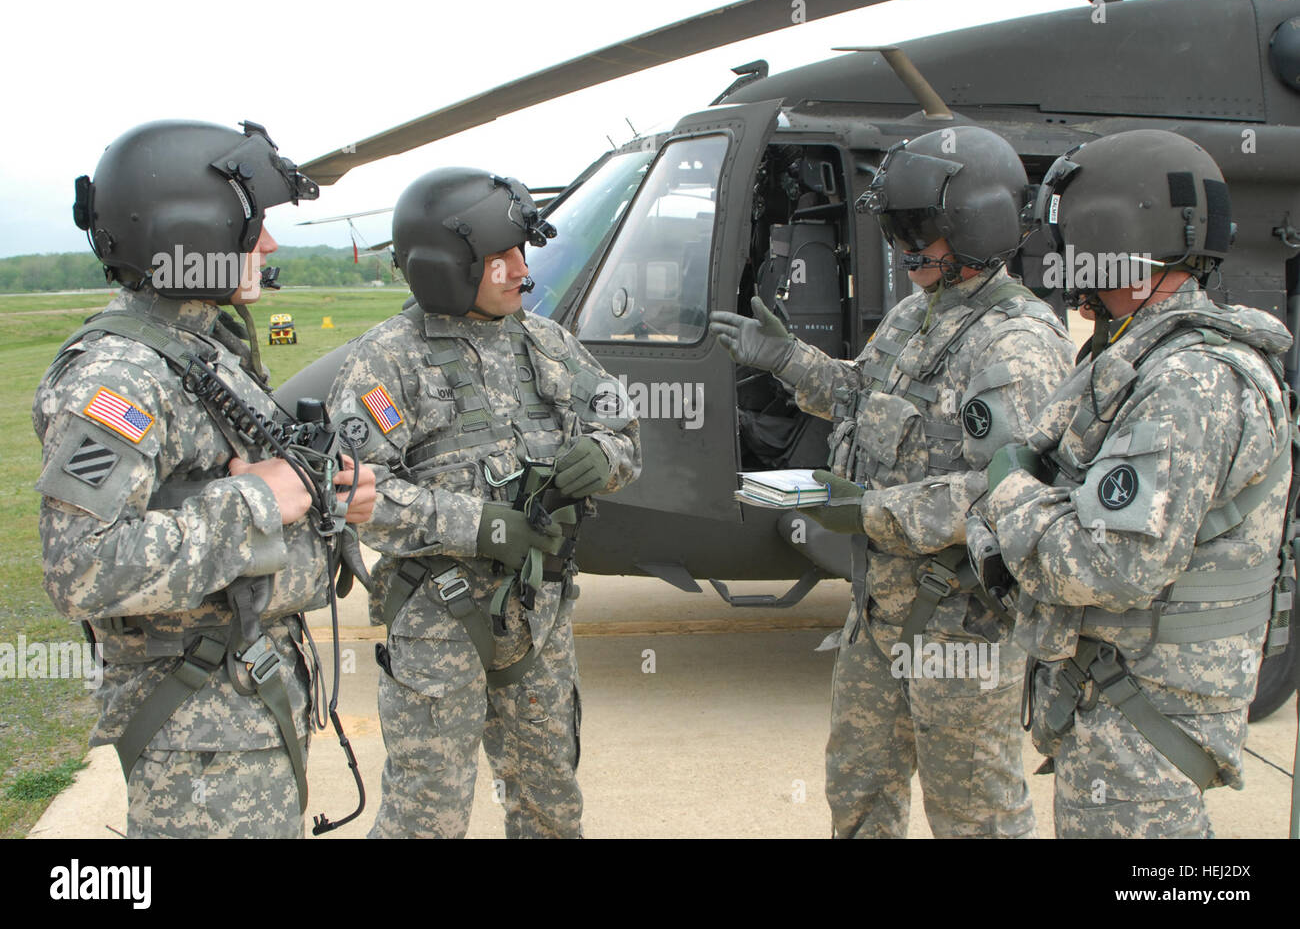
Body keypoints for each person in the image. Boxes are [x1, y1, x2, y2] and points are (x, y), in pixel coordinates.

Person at [710, 126, 1074, 838]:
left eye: (923, 232)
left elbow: (1004, 493)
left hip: (962, 633)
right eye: (899, 231)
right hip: (880, 619)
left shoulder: (1018, 343)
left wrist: (874, 512)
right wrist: (788, 361)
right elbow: (857, 397)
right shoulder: (915, 317)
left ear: (975, 228)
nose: (908, 251)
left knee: (976, 818)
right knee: (858, 793)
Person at [34, 119, 376, 838]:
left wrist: (327, 502)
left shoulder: (199, 351)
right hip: (197, 737)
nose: (271, 246)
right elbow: (81, 567)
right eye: (253, 229)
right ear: (191, 235)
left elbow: (234, 502)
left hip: (244, 709)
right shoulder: (121, 377)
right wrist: (260, 499)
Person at [976, 129, 1294, 838]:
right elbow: (1039, 460)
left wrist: (1008, 503)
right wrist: (1016, 497)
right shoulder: (1130, 358)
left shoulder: (1188, 382)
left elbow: (1107, 562)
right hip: (1113, 710)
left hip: (1141, 729)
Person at [328, 168, 641, 838]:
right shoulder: (387, 361)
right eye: (499, 257)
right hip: (442, 618)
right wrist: (480, 526)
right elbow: (357, 493)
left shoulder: (549, 344)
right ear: (446, 266)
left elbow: (624, 427)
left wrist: (606, 458)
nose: (520, 270)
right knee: (427, 814)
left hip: (541, 615)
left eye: (521, 253)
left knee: (550, 799)